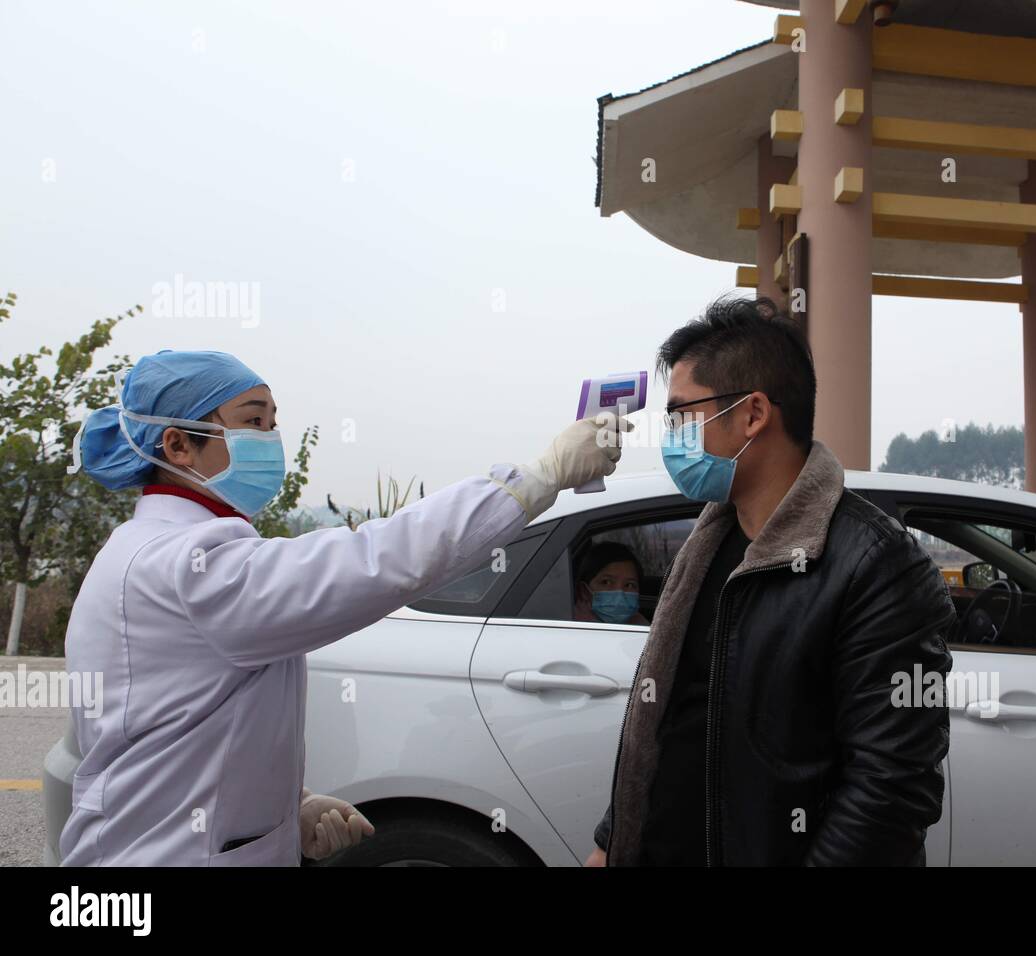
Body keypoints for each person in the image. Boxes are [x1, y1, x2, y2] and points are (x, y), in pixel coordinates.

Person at [60, 349, 626, 866]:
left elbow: (179, 720)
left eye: (273, 421)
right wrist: (539, 477)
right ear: (178, 446)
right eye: (252, 421)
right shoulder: (189, 562)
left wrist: (286, 808)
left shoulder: (142, 550)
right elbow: (377, 561)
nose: (270, 436)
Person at [586, 296, 954, 867]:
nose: (670, 437)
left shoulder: (875, 566)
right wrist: (614, 841)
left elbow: (891, 790)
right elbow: (670, 717)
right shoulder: (708, 545)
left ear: (754, 414)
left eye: (682, 414)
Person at [572, 542, 650, 626]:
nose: (620, 594)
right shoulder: (571, 627)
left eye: (629, 585)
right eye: (606, 582)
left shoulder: (640, 624)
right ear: (584, 591)